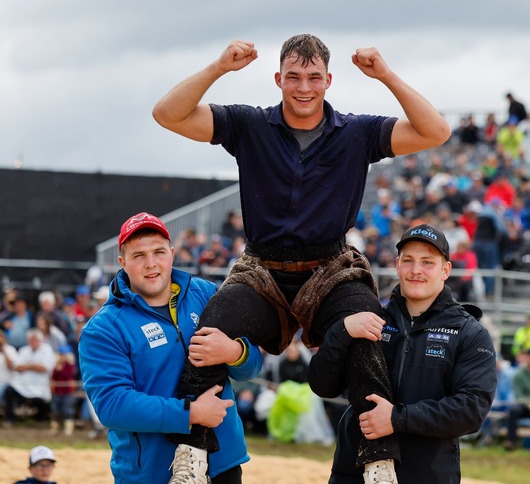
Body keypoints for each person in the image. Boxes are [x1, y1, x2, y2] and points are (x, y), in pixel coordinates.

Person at [151, 34, 450, 483]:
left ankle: (378, 462)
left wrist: (385, 75)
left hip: (330, 268)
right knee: (210, 329)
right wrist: (218, 67)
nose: (303, 87)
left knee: (368, 327)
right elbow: (166, 115)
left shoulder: (357, 132)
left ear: (328, 80)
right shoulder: (249, 125)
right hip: (262, 268)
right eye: (293, 76)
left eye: (313, 77)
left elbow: (435, 131)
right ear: (278, 79)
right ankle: (193, 454)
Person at [79, 212, 263, 484]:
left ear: (172, 253)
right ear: (122, 263)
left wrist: (236, 352)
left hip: (222, 461)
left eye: (158, 252)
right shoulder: (103, 328)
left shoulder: (204, 293)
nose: (151, 264)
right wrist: (190, 414)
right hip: (152, 473)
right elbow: (112, 405)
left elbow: (253, 366)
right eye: (139, 255)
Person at [310, 224, 496, 484]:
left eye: (427, 262)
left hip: (428, 476)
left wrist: (397, 419)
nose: (416, 270)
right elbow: (322, 385)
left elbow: (471, 410)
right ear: (397, 265)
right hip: (353, 472)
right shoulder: (370, 319)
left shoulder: (469, 332)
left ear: (446, 270)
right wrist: (341, 332)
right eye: (408, 260)